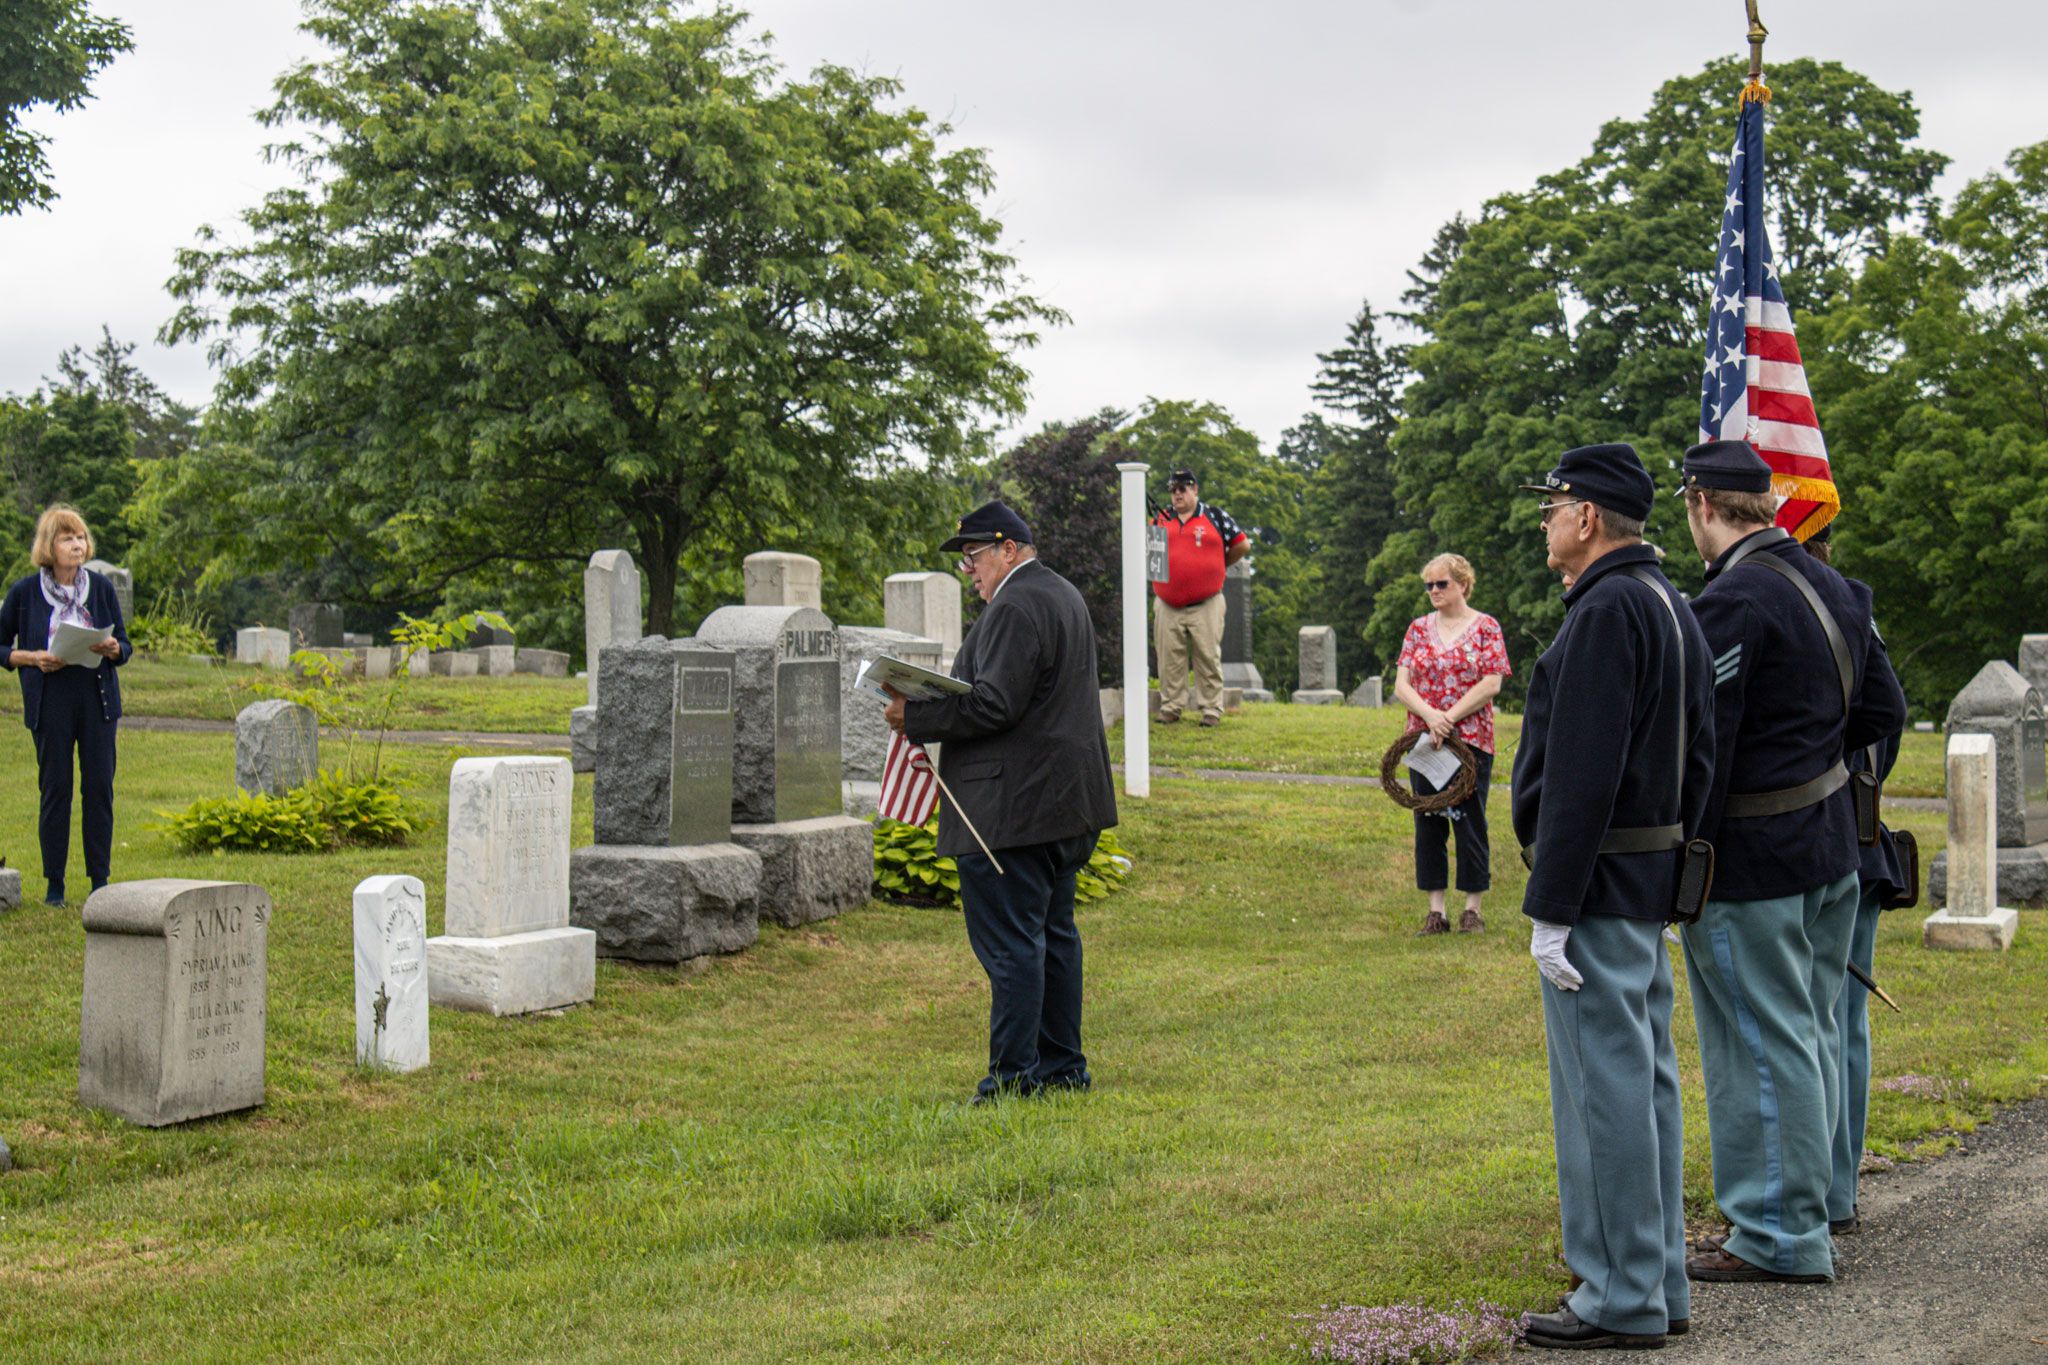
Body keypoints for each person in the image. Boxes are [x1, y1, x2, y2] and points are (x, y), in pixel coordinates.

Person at [1674, 440, 1907, 1287]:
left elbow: (1706, 748)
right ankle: (1815, 1201)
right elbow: (1884, 707)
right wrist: (1810, 769)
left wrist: (1685, 854)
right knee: (1807, 1031)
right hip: (1831, 850)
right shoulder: (1838, 588)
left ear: (1703, 504)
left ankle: (1779, 1233)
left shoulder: (1732, 601)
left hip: (1754, 862)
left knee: (1759, 1047)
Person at [1511, 444, 1715, 1351]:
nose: (1546, 520)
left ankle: (1619, 1292)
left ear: (1587, 516)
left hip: (1597, 887)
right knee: (1646, 1087)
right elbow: (1701, 757)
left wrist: (1551, 904)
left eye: (1554, 506)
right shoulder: (1670, 603)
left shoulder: (1604, 610)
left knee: (1605, 1094)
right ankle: (1656, 1277)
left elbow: (1580, 775)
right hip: (1642, 879)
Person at [883, 501, 1118, 1102]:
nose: (970, 570)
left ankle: (1013, 1082)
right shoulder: (1061, 593)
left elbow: (994, 703)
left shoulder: (1015, 603)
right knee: (1054, 937)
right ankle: (1063, 1069)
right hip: (1065, 802)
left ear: (1008, 548)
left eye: (974, 556)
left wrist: (916, 714)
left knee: (1014, 946)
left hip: (1014, 808)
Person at [1, 505, 132, 907]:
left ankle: (99, 880)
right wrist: (33, 657)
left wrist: (113, 649)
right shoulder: (25, 592)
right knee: (56, 789)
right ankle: (54, 884)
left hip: (96, 698)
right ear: (49, 546)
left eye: (80, 538)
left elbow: (125, 646)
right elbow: (2, 647)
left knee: (99, 789)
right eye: (67, 538)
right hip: (51, 698)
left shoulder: (102, 588)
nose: (77, 545)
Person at [1392, 552, 1510, 934]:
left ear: (1462, 584)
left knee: (1470, 820)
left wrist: (1450, 717)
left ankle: (1472, 909)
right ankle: (1436, 910)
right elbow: (1401, 684)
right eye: (1429, 585)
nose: (1434, 591)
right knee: (1428, 818)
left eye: (1441, 584)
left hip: (1471, 739)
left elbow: (1492, 682)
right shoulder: (1417, 629)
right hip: (1426, 741)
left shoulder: (1486, 627)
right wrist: (1431, 717)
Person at [1149, 468, 1248, 727]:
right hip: (1167, 603)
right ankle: (1171, 706)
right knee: (1169, 657)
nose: (1177, 494)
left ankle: (1211, 709)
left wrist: (1218, 565)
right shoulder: (1159, 520)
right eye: (1173, 490)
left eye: (1183, 488)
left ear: (1195, 489)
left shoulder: (1215, 516)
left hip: (1207, 602)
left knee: (1207, 656)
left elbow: (1242, 544)